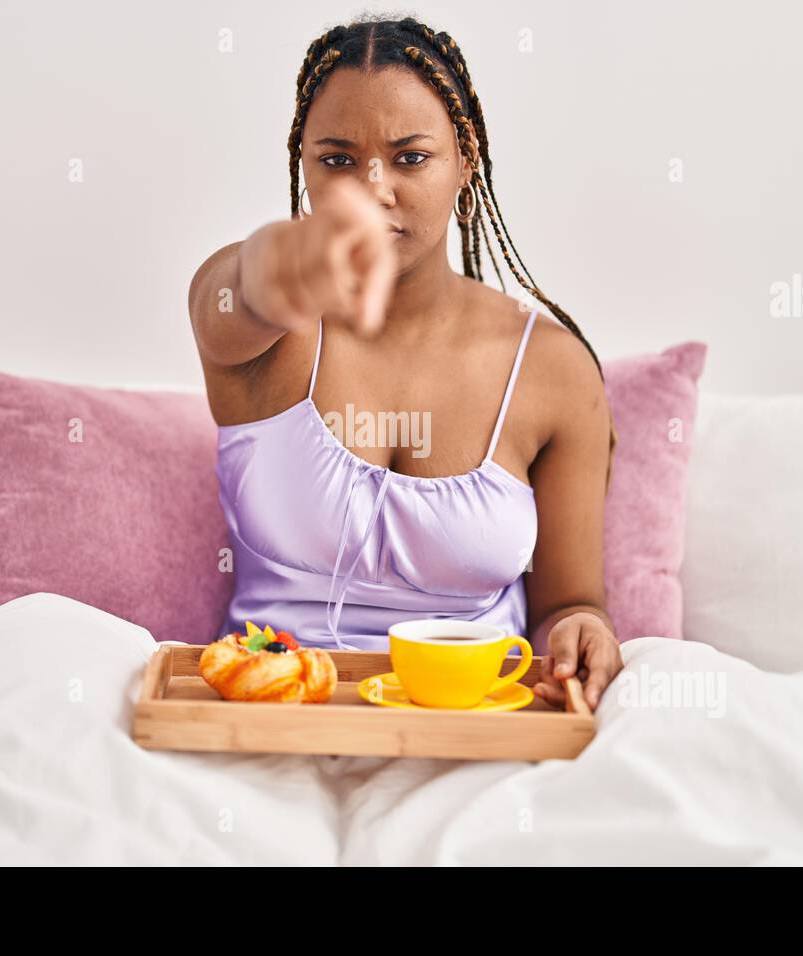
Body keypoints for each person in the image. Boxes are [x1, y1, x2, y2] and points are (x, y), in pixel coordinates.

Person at [188, 16, 621, 711]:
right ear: (303, 162)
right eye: (336, 160)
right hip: (273, 722)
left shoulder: (551, 367)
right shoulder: (262, 323)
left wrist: (580, 630)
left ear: (465, 157)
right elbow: (231, 295)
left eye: (410, 157)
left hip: (468, 732)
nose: (371, 189)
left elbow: (569, 602)